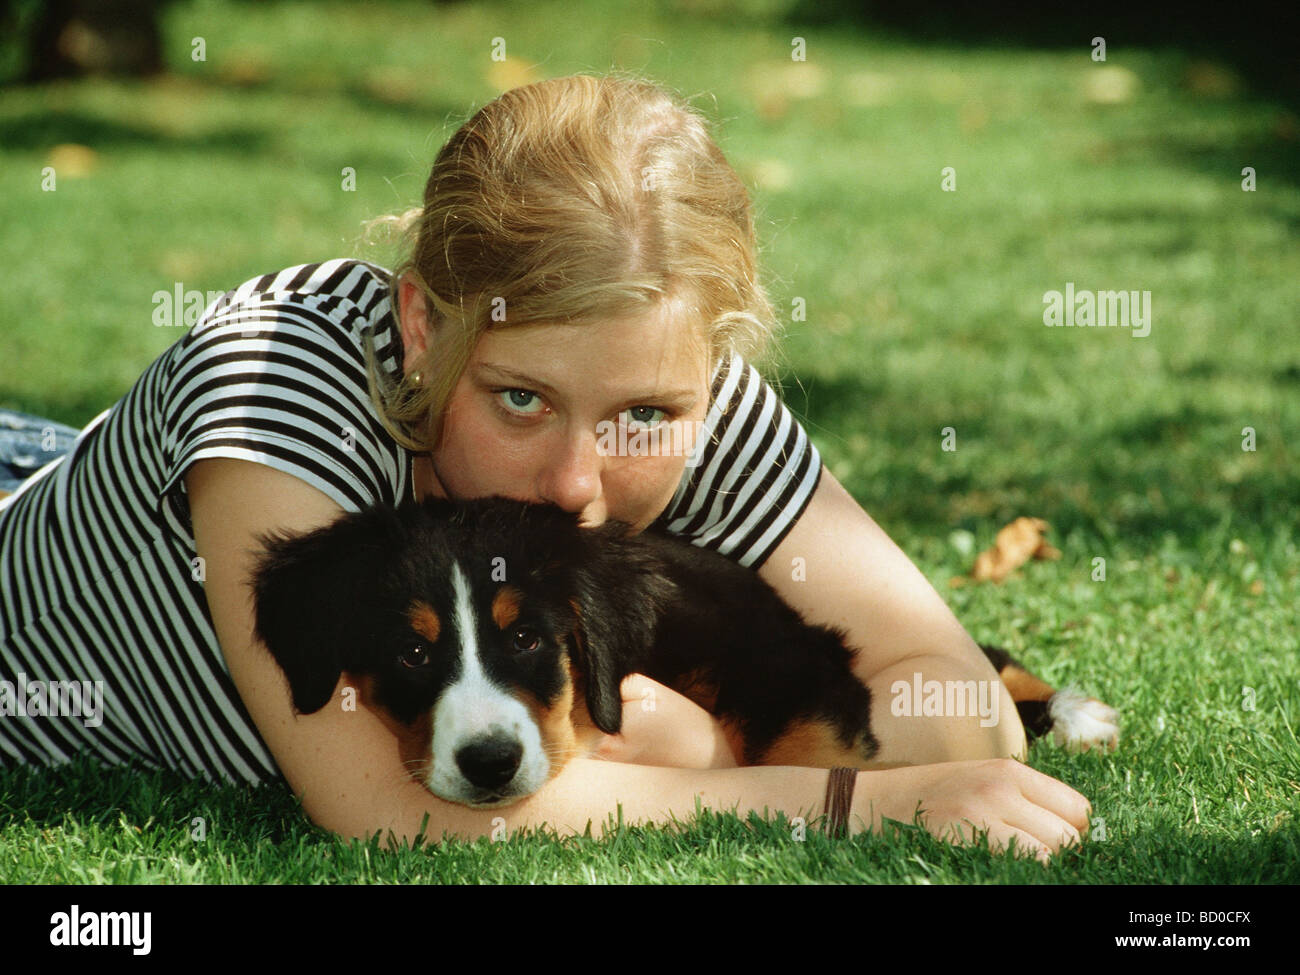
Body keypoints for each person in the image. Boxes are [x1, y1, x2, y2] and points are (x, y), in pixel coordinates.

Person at [0, 73, 1089, 861]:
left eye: (646, 415)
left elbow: (957, 711)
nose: (577, 481)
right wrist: (822, 794)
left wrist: (698, 745)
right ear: (423, 327)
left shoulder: (669, 379)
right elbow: (390, 816)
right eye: (520, 399)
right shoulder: (274, 387)